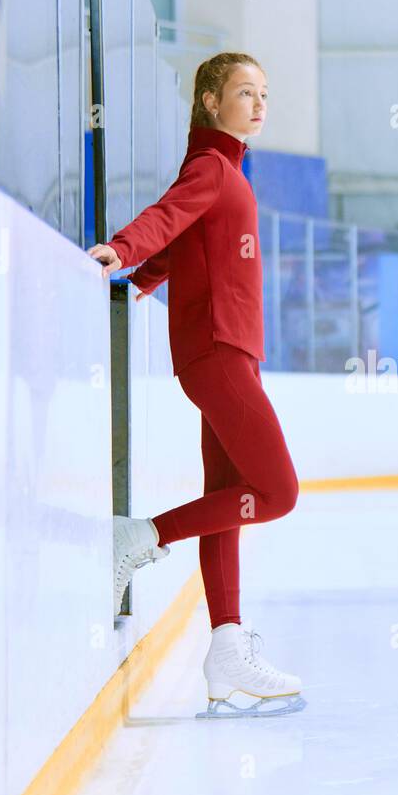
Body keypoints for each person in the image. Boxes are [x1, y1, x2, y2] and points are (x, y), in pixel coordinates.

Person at [86, 53, 305, 718]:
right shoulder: (212, 168)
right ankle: (143, 534)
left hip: (229, 351)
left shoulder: (230, 170)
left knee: (228, 499)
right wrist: (120, 251)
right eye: (245, 92)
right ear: (211, 101)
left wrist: (140, 278)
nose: (260, 102)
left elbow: (181, 248)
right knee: (276, 491)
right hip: (220, 353)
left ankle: (226, 651)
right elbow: (168, 213)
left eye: (264, 91)